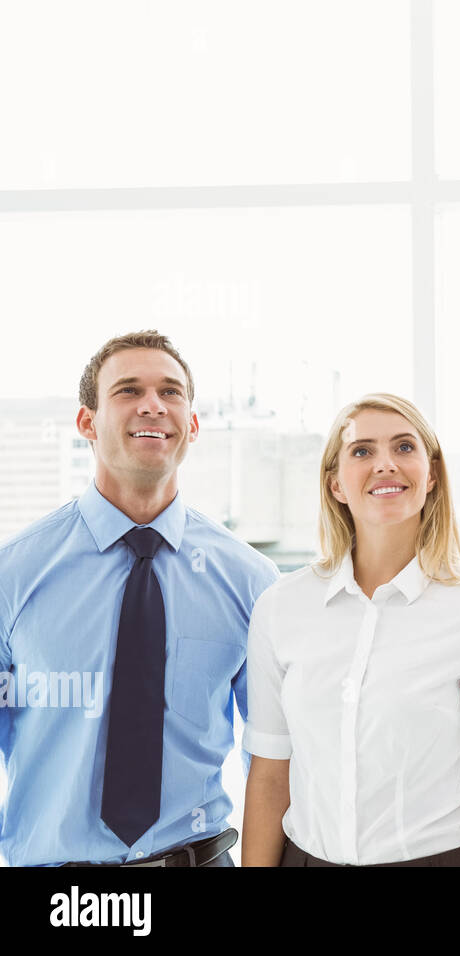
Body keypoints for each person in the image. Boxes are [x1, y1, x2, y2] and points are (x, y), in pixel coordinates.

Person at [0, 331, 278, 867]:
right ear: (87, 422)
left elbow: (271, 759)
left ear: (191, 426)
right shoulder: (13, 574)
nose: (153, 404)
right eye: (128, 390)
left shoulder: (250, 580)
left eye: (171, 393)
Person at [241, 393, 460, 867]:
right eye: (361, 451)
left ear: (431, 474)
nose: (385, 464)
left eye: (404, 447)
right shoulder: (280, 608)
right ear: (335, 484)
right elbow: (271, 774)